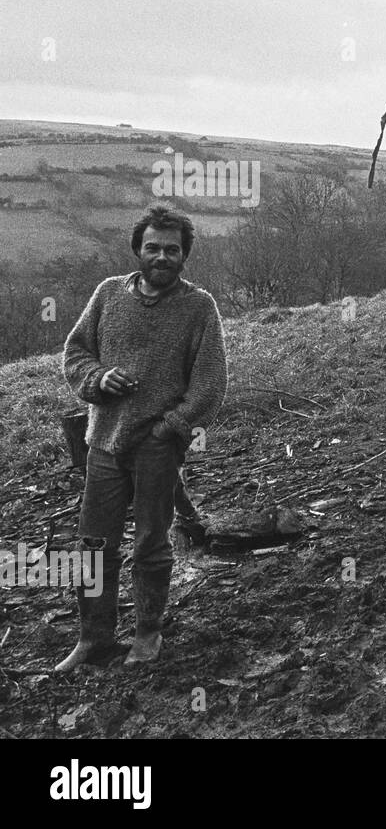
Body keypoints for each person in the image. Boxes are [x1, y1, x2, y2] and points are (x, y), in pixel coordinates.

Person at [57, 204, 228, 671]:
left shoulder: (199, 307)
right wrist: (96, 378)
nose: (161, 256)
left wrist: (169, 429)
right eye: (152, 247)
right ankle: (93, 637)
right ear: (137, 249)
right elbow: (75, 351)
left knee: (152, 543)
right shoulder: (108, 294)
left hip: (157, 447)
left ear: (184, 256)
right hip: (104, 443)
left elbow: (211, 384)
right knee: (93, 545)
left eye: (172, 249)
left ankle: (147, 634)